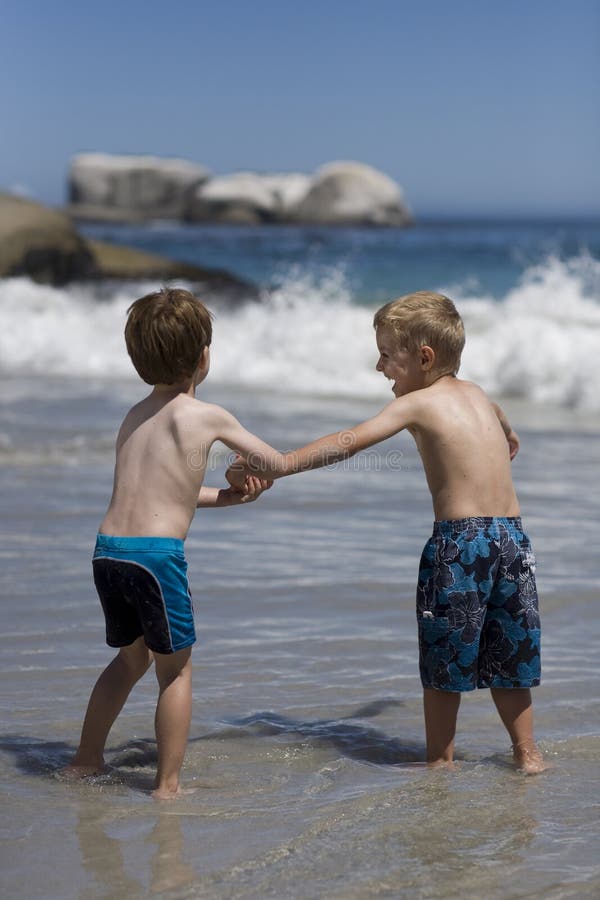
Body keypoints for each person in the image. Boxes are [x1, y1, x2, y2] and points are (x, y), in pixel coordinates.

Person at [226, 290, 546, 774]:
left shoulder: (417, 404)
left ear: (424, 358)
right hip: (513, 542)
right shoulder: (477, 393)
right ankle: (528, 755)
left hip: (460, 545)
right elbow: (500, 417)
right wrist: (509, 432)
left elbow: (348, 442)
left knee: (444, 665)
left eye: (386, 356)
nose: (379, 368)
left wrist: (281, 463)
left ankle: (440, 762)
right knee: (510, 655)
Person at [63, 287, 288, 799]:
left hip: (109, 553)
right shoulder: (205, 415)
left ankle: (85, 760)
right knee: (176, 671)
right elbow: (274, 462)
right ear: (205, 356)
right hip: (155, 560)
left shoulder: (134, 416)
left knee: (129, 661)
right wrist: (254, 473)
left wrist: (226, 498)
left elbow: (160, 493)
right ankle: (167, 785)